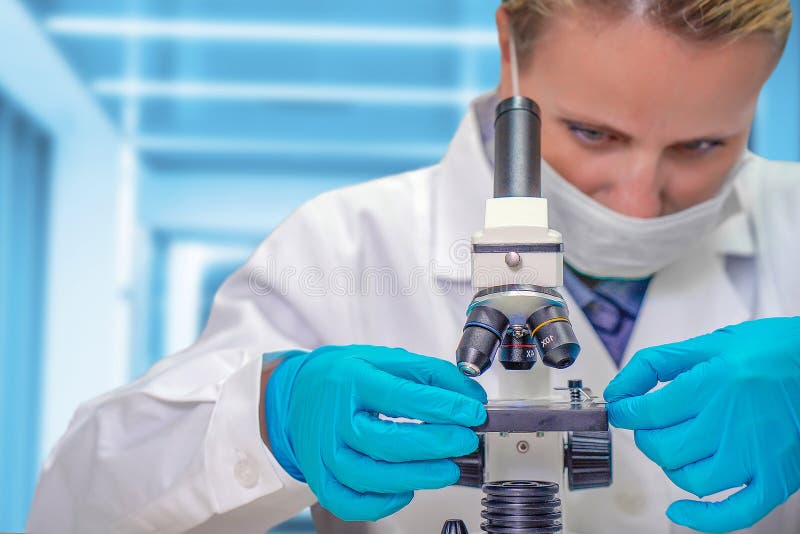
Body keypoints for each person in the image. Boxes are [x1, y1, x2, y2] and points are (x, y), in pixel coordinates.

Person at [27, 1, 800, 533]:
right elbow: (77, 506)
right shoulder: (348, 245)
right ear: (510, 49)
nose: (637, 201)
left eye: (703, 146)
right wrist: (268, 418)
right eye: (593, 133)